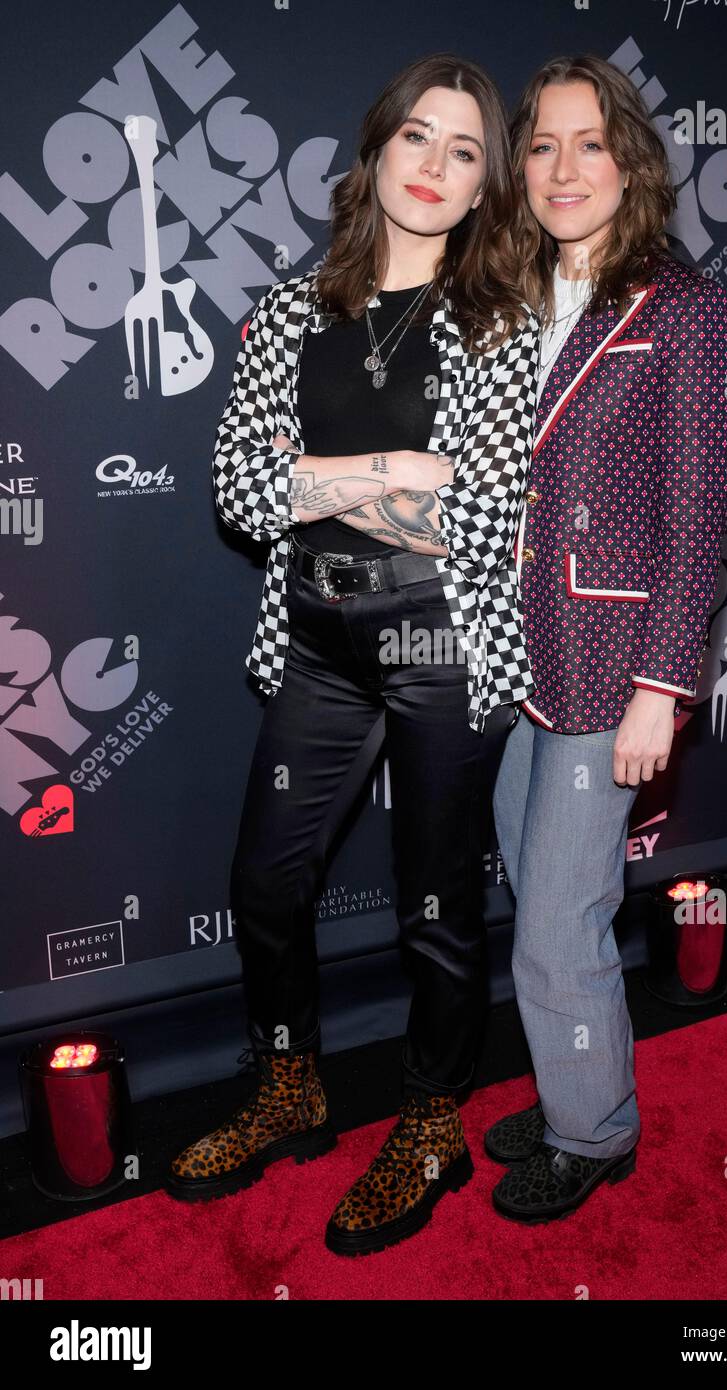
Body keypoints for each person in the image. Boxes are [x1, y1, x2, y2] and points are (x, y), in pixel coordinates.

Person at [165, 53, 540, 1257]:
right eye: (416, 136)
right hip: (317, 635)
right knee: (265, 883)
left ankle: (431, 1121)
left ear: (483, 186)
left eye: (464, 151)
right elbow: (238, 488)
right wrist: (397, 471)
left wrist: (317, 481)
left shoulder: (501, 322)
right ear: (375, 148)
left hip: (441, 636)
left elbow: (483, 514)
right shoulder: (291, 311)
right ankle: (291, 1086)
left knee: (436, 905)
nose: (433, 165)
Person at [485, 54, 727, 1222]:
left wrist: (660, 686)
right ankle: (572, 1084)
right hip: (515, 655)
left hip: (608, 667)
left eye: (587, 142)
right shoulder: (513, 293)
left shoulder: (681, 305)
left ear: (628, 161)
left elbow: (696, 511)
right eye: (541, 144)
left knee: (556, 920)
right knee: (536, 890)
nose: (561, 167)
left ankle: (592, 1133)